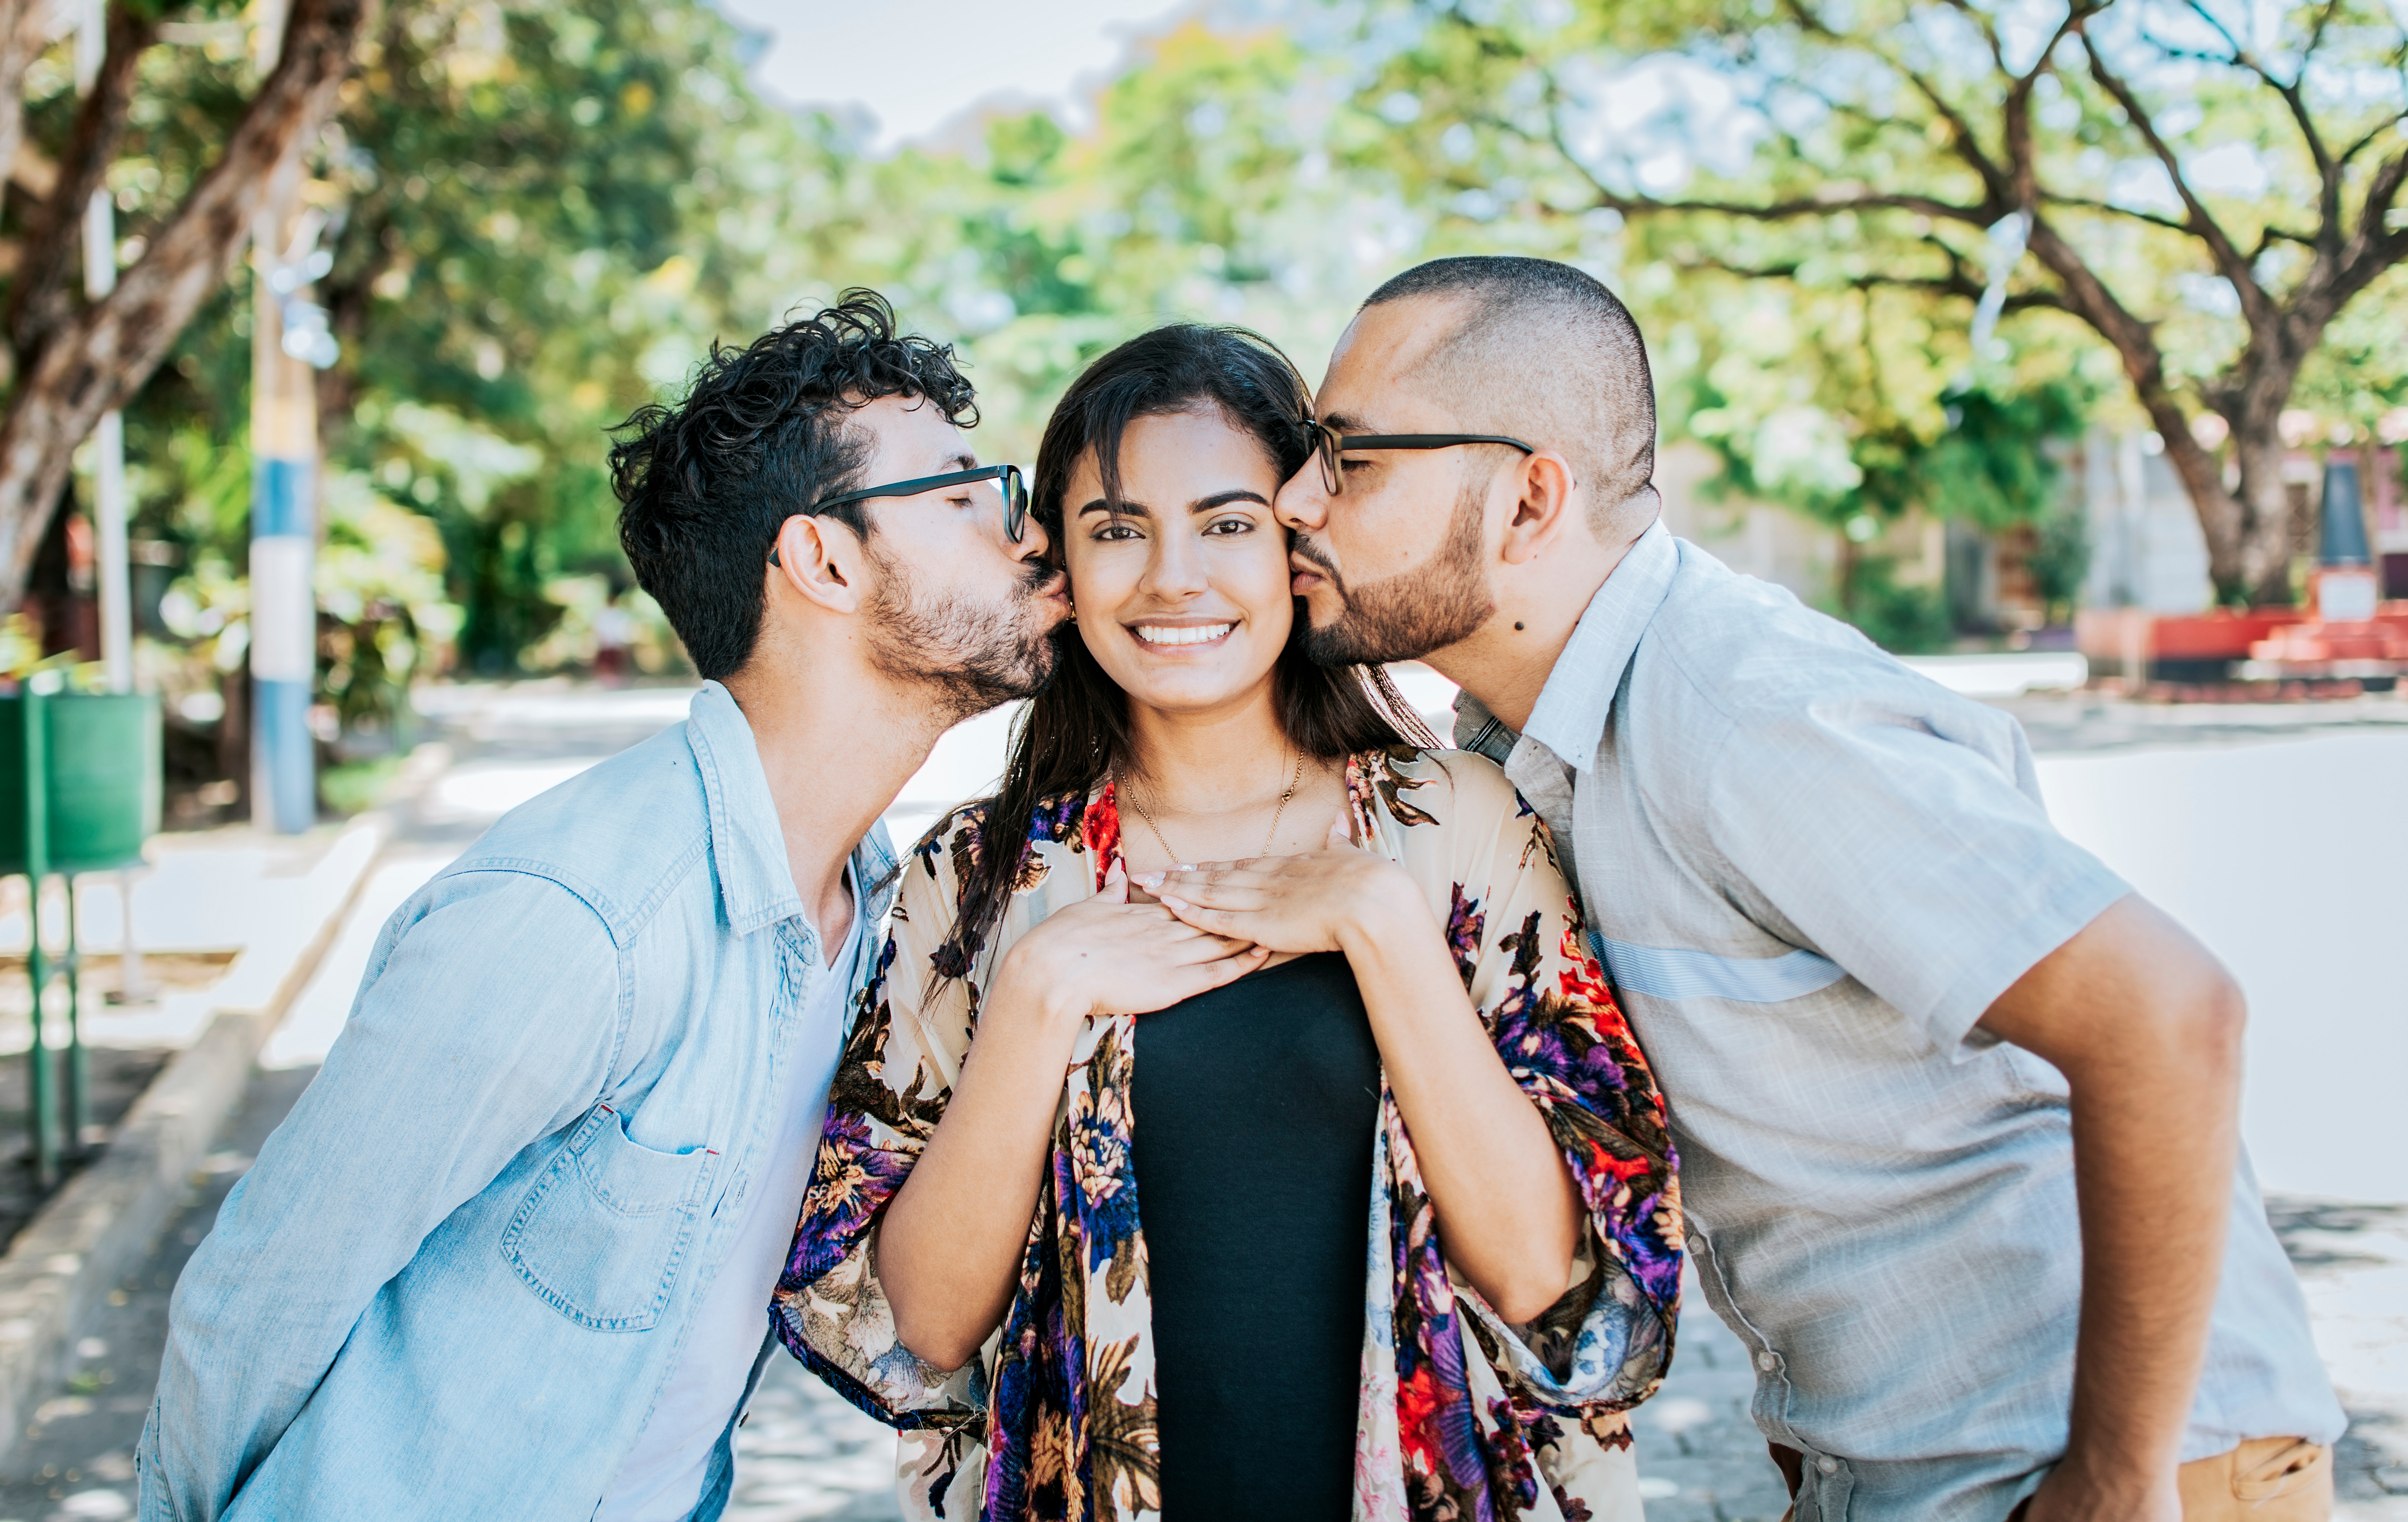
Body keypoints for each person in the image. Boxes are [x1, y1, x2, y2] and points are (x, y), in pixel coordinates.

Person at [1148, 254, 2346, 1522]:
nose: (1293, 500)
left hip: (2110, 1465)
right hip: (1910, 1472)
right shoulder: (1514, 749)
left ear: (1528, 501)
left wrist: (2116, 1478)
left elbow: (2168, 1014)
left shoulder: (1741, 712)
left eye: (1350, 458)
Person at [137, 291, 1068, 1522]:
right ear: (824, 559)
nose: (1034, 535)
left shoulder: (877, 908)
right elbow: (259, 1301)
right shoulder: (585, 916)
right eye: (964, 496)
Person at [777, 324, 1683, 1522]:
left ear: (1299, 543)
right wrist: (1042, 997)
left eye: (1227, 523)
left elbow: (1549, 1288)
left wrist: (1382, 929)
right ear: (1061, 562)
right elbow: (922, 1326)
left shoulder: (1452, 822)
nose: (1173, 579)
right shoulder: (982, 877)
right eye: (1116, 530)